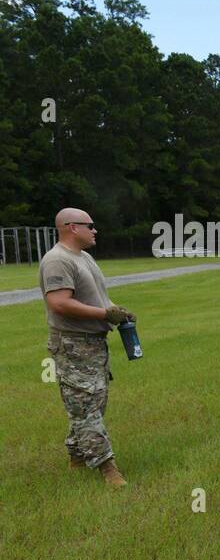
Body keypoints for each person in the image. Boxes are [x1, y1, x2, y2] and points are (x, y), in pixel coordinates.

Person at [39, 207, 134, 488]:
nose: (95, 230)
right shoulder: (57, 260)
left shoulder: (84, 258)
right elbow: (59, 302)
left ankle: (77, 456)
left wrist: (118, 311)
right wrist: (105, 315)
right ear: (71, 227)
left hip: (93, 345)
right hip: (72, 344)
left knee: (91, 404)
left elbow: (98, 298)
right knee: (85, 407)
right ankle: (108, 469)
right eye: (89, 225)